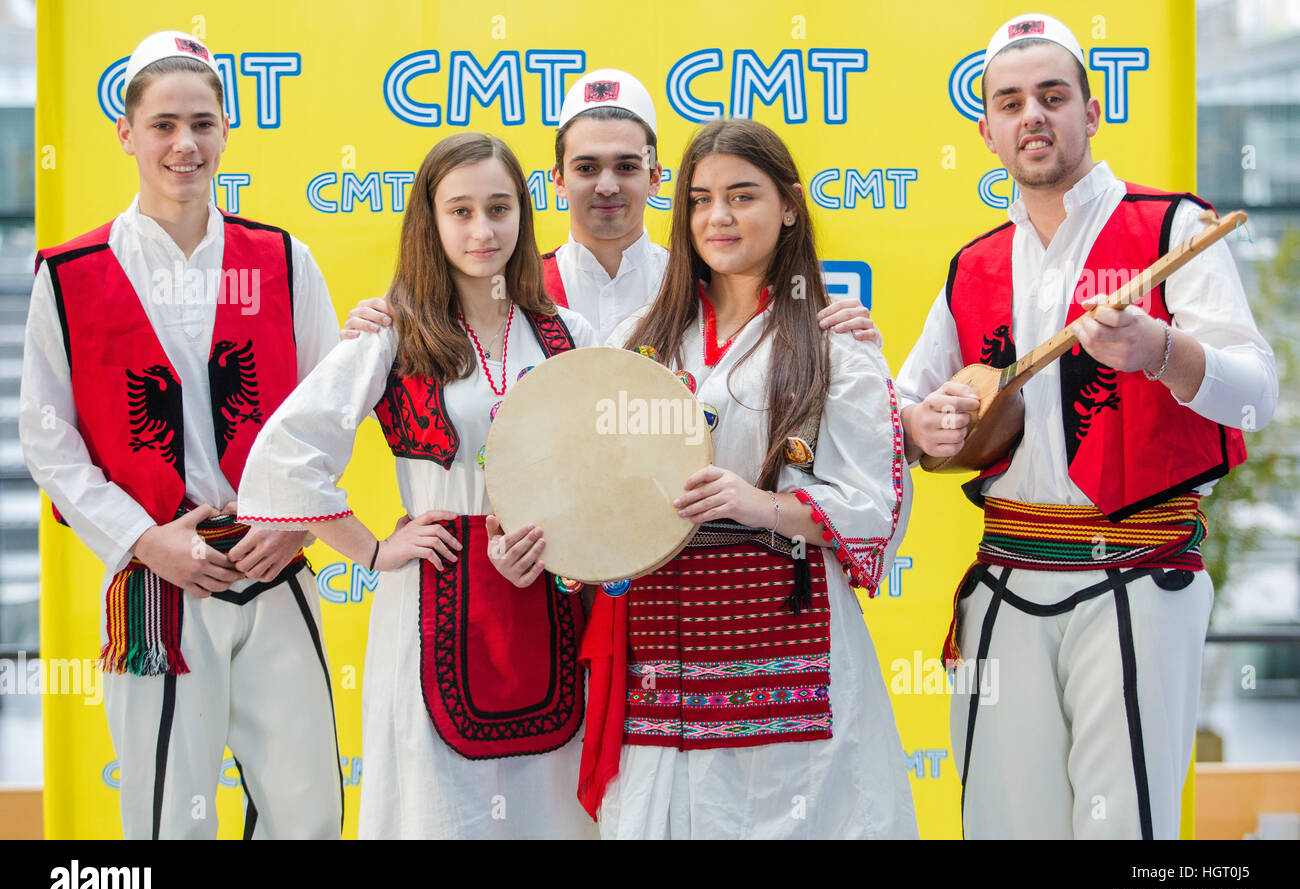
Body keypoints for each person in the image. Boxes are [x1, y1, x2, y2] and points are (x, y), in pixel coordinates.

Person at [896, 12, 1278, 839]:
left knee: (1125, 829)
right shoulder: (974, 264)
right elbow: (904, 410)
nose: (1032, 114)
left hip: (1139, 574)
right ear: (988, 130)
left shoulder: (1175, 228)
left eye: (1052, 94)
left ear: (1091, 110)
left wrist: (1159, 349)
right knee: (1004, 824)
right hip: (1006, 573)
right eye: (1010, 101)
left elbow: (1257, 397)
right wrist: (925, 427)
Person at [20, 31, 343, 839]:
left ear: (226, 130)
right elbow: (46, 436)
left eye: (201, 122)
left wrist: (300, 520)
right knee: (171, 812)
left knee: (309, 810)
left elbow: (331, 406)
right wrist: (140, 539)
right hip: (158, 577)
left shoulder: (283, 258)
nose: (184, 144)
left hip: (274, 563)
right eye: (163, 124)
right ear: (126, 133)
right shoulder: (70, 274)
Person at [236, 132, 599, 839]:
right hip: (437, 595)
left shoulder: (567, 333)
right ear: (429, 222)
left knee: (552, 808)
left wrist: (570, 540)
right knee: (441, 810)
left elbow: (606, 471)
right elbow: (285, 454)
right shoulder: (393, 334)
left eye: (498, 208)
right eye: (459, 210)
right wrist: (370, 552)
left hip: (548, 593)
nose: (481, 229)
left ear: (524, 214)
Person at [566, 118, 917, 839]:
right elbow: (588, 483)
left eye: (741, 196)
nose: (717, 217)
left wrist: (762, 505)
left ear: (790, 204)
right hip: (660, 656)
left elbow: (876, 513)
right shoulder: (636, 339)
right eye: (699, 200)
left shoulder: (833, 343)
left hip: (788, 648)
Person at [342, 69, 879, 344]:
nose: (606, 186)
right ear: (555, 180)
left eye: (626, 167)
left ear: (656, 177)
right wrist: (386, 325)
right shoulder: (505, 291)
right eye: (585, 168)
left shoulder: (707, 288)